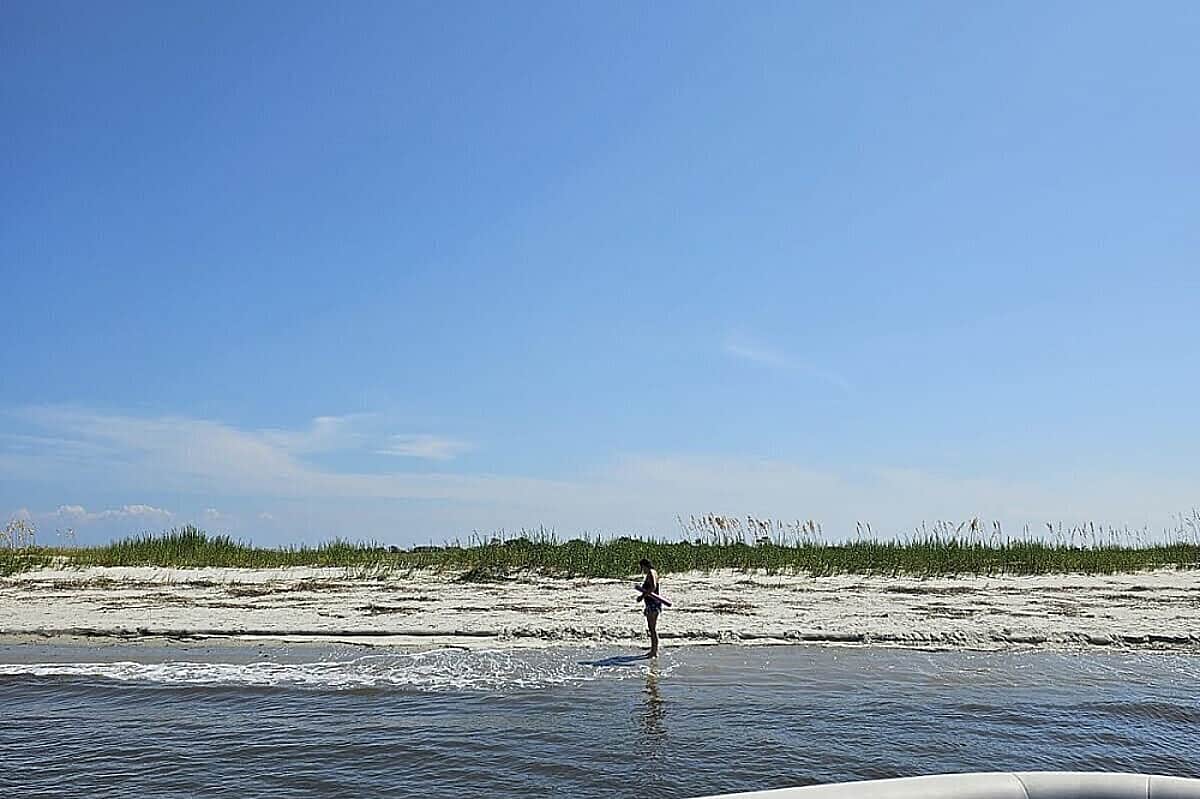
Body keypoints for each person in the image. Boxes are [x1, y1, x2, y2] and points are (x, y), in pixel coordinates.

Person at [636, 558, 663, 657]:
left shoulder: (651, 572)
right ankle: (653, 650)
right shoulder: (653, 572)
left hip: (653, 603)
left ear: (645, 566)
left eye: (642, 568)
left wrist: (641, 596)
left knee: (652, 628)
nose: (643, 570)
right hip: (652, 603)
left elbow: (653, 587)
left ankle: (654, 651)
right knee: (651, 628)